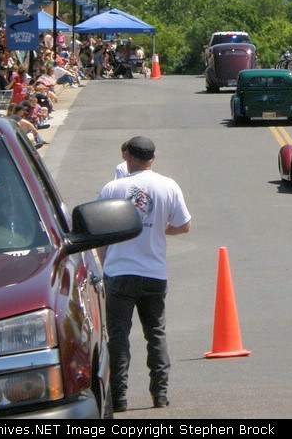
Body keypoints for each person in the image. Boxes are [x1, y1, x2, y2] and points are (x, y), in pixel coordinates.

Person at [98, 137, 191, 413]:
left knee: (118, 335)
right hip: (153, 271)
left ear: (127, 157)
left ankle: (120, 396)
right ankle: (160, 394)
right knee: (156, 333)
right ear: (154, 156)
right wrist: (156, 228)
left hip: (120, 271)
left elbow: (100, 233)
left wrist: (104, 265)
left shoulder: (112, 188)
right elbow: (183, 226)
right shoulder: (168, 185)